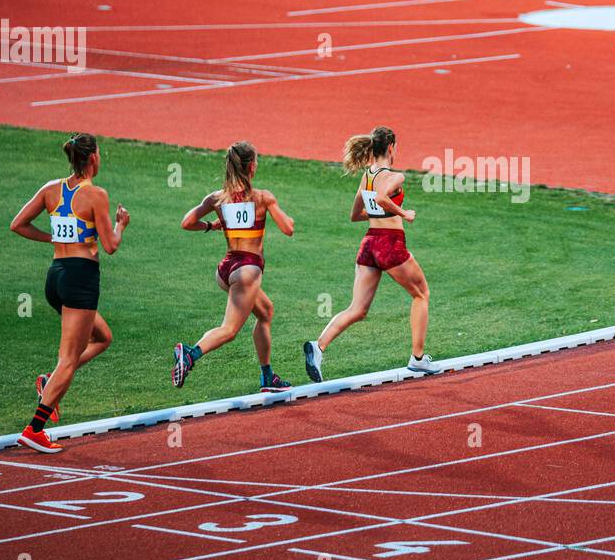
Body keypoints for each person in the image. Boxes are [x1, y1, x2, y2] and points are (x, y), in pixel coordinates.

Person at [9, 133, 128, 452]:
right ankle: (34, 428)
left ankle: (50, 381)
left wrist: (53, 240)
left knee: (102, 337)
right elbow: (110, 246)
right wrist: (121, 225)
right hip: (80, 278)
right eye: (99, 155)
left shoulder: (51, 189)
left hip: (56, 277)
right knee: (68, 358)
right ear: (91, 159)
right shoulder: (96, 195)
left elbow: (17, 224)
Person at [303, 125, 438, 383]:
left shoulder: (366, 176)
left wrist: (381, 211)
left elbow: (356, 215)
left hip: (369, 244)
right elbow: (383, 198)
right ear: (390, 148)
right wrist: (403, 213)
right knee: (421, 294)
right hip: (389, 243)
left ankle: (317, 347)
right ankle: (418, 359)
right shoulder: (395, 176)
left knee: (358, 308)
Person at [171, 141, 295, 392]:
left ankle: (267, 376)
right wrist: (282, 214)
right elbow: (288, 229)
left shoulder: (217, 198)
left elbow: (187, 222)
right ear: (251, 167)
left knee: (266, 312)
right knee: (229, 330)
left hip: (227, 269)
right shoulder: (262, 197)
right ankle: (190, 355)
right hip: (247, 271)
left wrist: (210, 226)